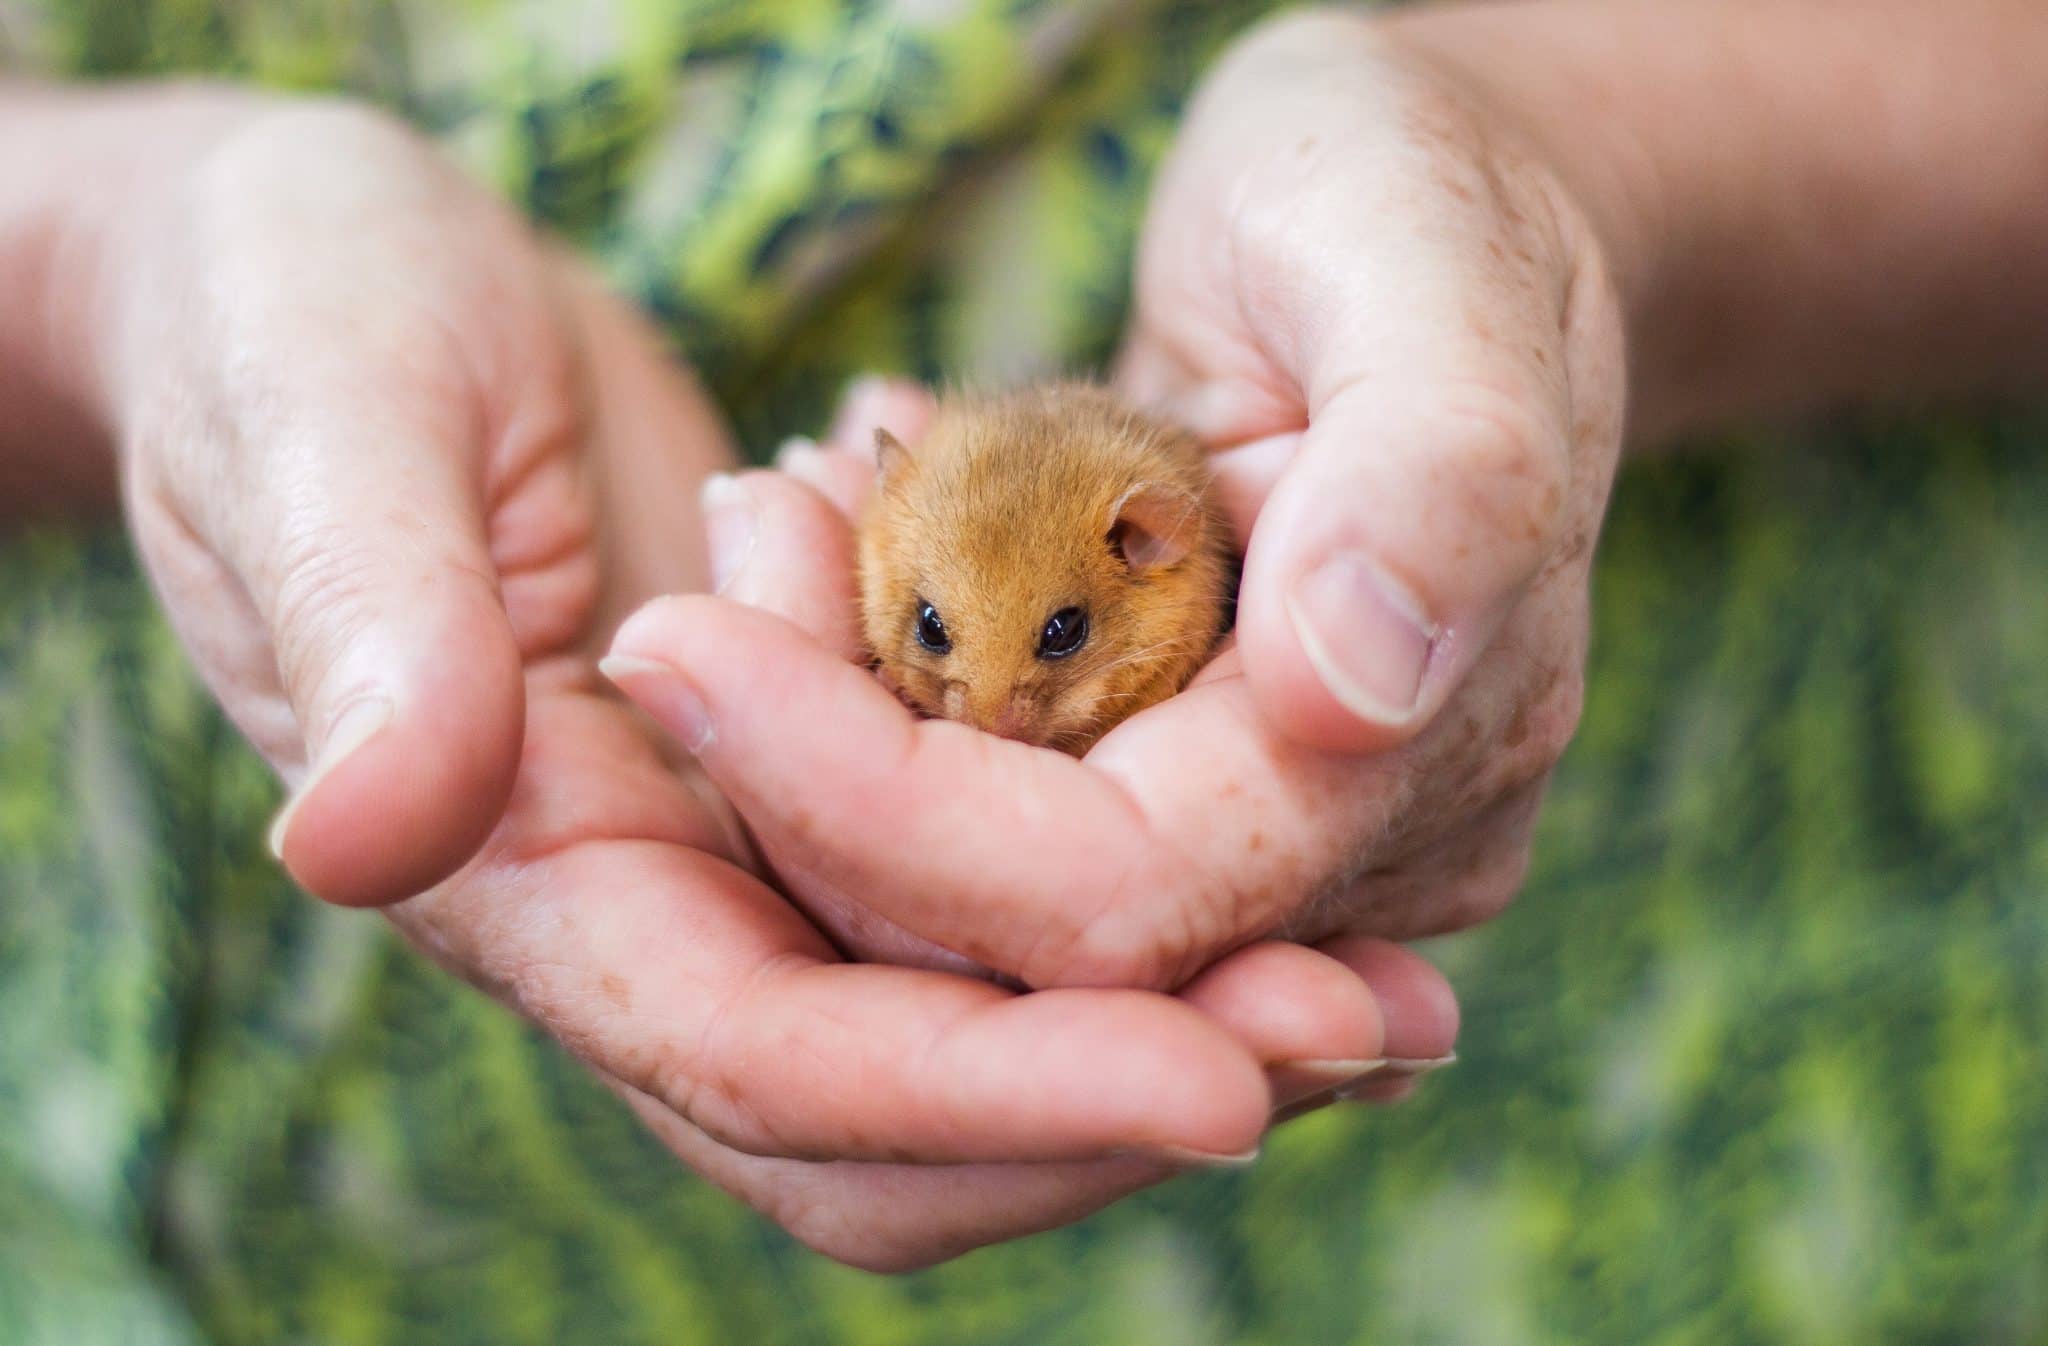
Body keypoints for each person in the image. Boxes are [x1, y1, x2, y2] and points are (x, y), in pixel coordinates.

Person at [1, 0, 2043, 1321]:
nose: (978, 705)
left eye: (1052, 644)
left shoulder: (1165, 548)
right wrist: (109, 247)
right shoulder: (951, 567)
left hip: (1696, 1064)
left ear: (1149, 557)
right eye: (930, 648)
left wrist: (1569, 177)